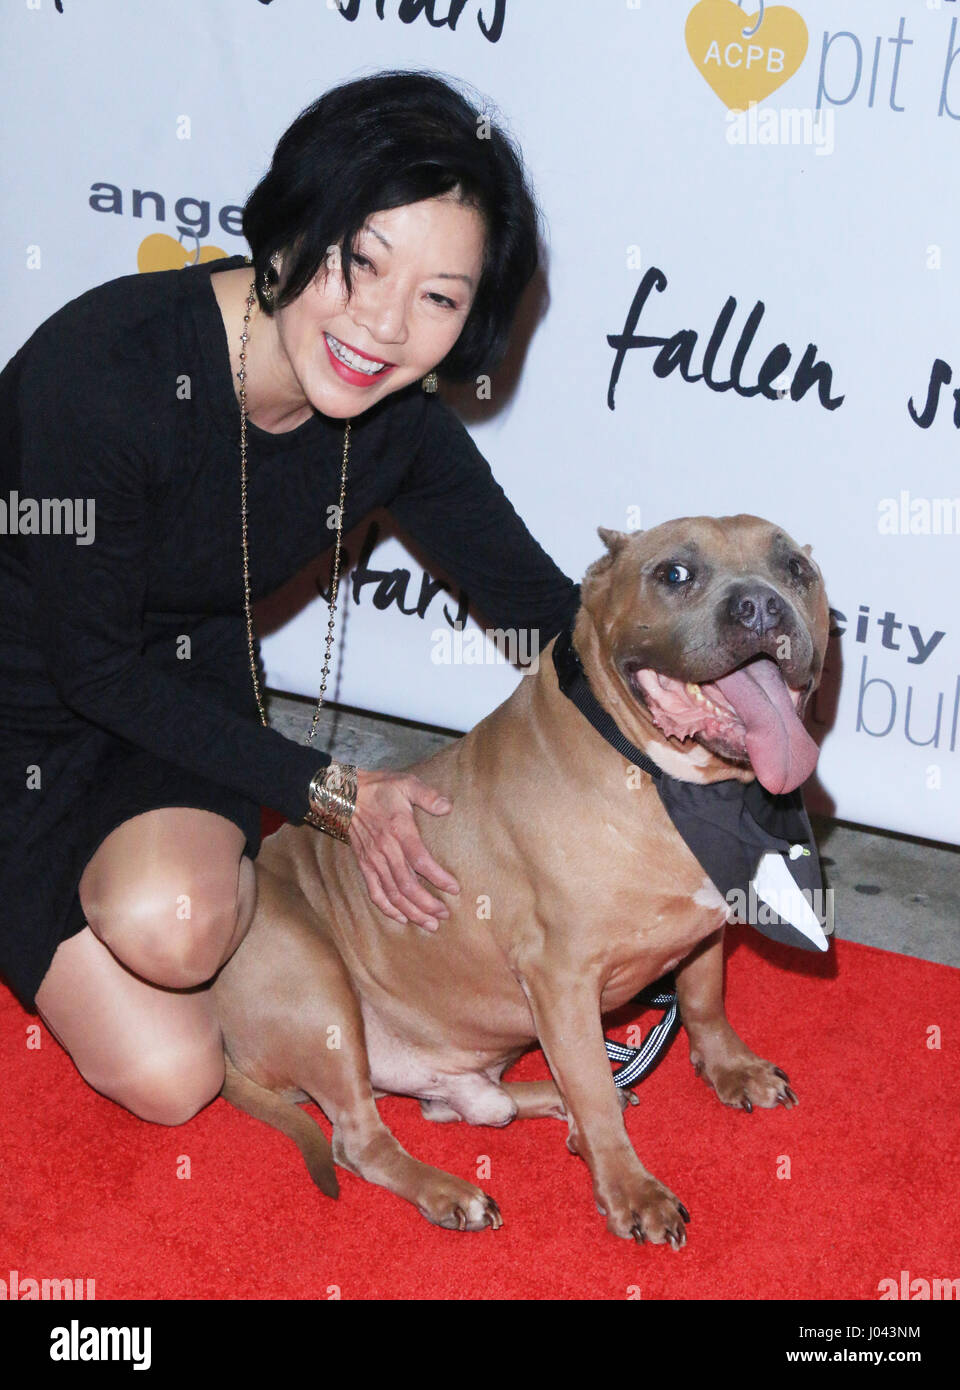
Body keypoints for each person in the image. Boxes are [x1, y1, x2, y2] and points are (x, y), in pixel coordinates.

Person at [0, 69, 580, 1126]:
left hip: (175, 697)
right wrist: (331, 789)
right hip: (28, 698)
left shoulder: (393, 423)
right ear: (295, 227)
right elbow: (89, 666)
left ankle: (286, 956)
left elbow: (540, 612)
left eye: (439, 298)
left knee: (176, 967)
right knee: (170, 1076)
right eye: (361, 260)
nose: (384, 325)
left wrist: (704, 697)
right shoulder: (107, 373)